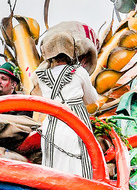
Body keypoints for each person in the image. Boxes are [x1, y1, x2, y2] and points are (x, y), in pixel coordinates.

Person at [31, 24, 99, 179]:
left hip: (51, 125)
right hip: (75, 123)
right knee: (78, 167)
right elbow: (92, 99)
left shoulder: (41, 75)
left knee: (53, 168)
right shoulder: (79, 72)